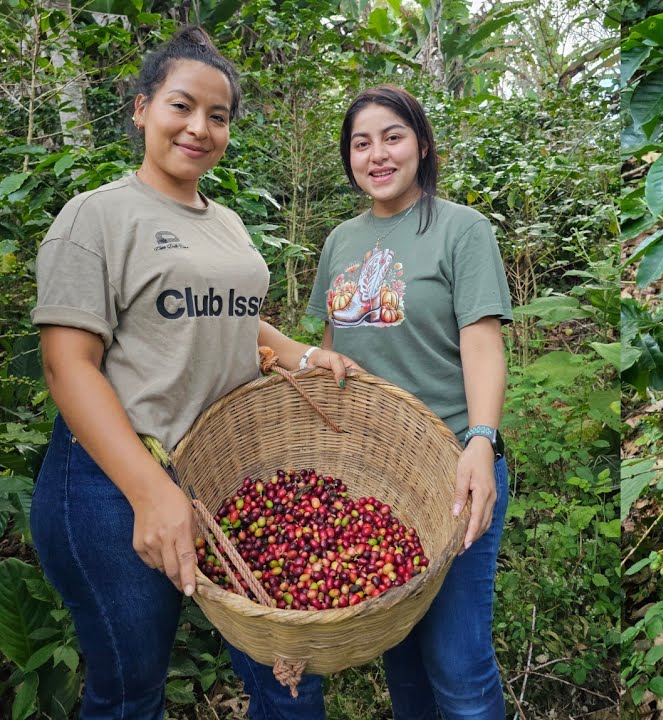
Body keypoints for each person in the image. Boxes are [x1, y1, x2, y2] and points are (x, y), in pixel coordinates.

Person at [29, 26, 360, 720]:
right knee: (131, 689)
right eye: (182, 106)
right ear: (142, 108)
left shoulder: (229, 224)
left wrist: (304, 355)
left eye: (219, 115)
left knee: (290, 682)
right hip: (111, 483)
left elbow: (235, 318)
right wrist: (151, 493)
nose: (200, 128)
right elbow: (68, 365)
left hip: (222, 474)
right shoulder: (97, 216)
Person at [227, 84, 513, 720]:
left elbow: (483, 347)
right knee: (402, 655)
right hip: (371, 473)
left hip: (452, 462)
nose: (377, 154)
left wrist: (483, 440)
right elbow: (331, 352)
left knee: (458, 662)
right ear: (348, 157)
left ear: (422, 144)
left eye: (393, 137)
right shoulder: (340, 242)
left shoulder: (461, 230)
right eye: (362, 143)